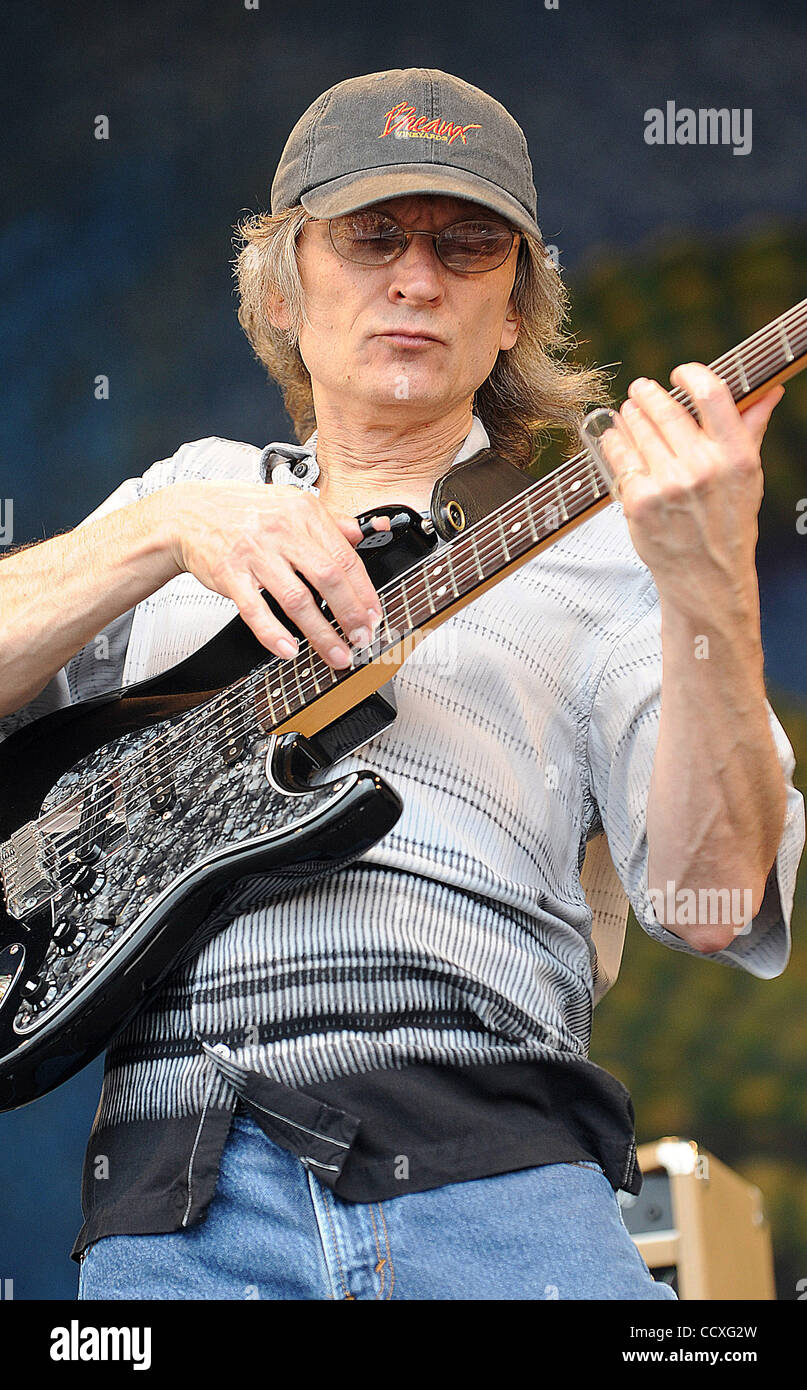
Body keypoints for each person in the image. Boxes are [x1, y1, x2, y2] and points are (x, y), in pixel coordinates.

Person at [1, 68, 803, 1302]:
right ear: (285, 284)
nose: (417, 279)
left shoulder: (616, 550)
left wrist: (708, 583)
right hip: (179, 1197)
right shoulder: (193, 493)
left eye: (468, 246)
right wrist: (155, 533)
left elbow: (713, 899)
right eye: (372, 236)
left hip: (504, 1182)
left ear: (515, 309)